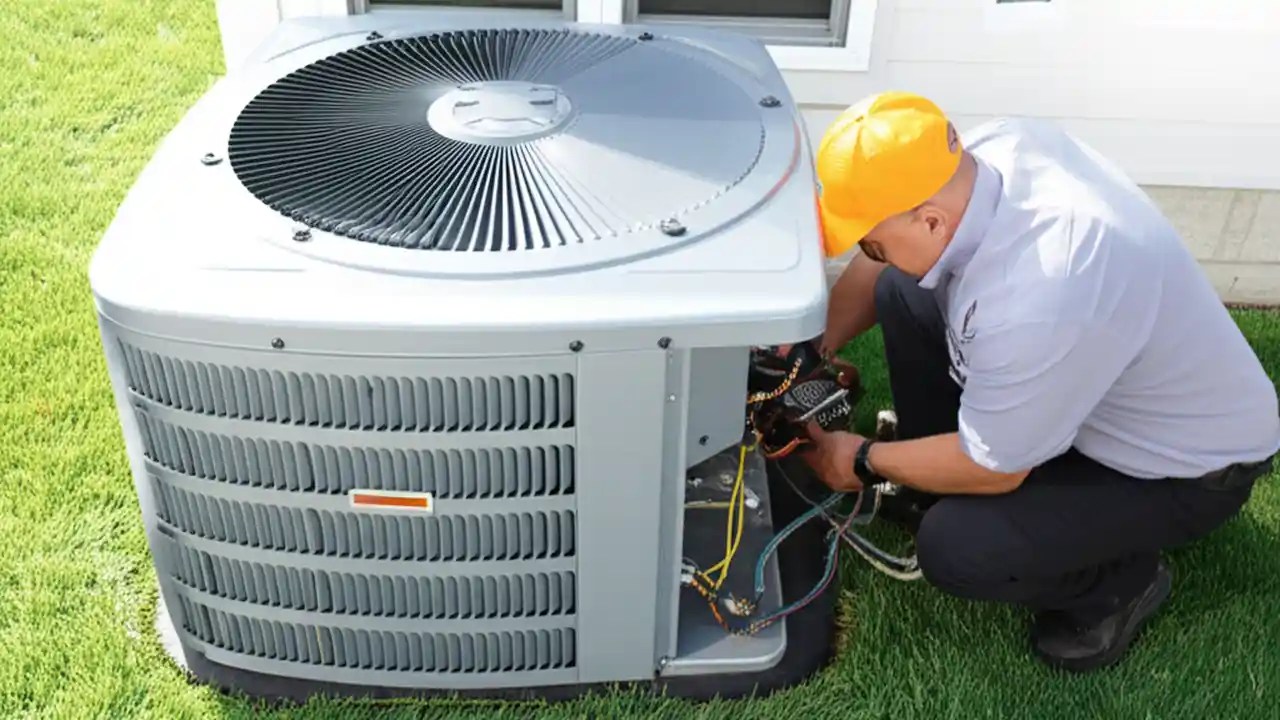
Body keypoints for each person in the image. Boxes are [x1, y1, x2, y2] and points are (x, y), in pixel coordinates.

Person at [800, 90, 1279, 672]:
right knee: (903, 288)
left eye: (869, 240)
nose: (867, 250)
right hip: (1090, 380)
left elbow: (994, 468)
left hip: (1185, 468)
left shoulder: (1042, 291)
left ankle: (1120, 585)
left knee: (957, 546)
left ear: (930, 220)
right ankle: (930, 482)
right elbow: (886, 261)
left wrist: (863, 460)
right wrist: (811, 347)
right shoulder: (985, 156)